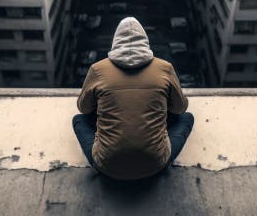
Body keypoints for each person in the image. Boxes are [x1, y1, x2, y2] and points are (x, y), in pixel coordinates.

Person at [72, 17, 194, 180]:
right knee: (186, 118)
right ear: (145, 41)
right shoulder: (165, 68)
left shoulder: (98, 69)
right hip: (156, 165)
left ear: (115, 41)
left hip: (106, 166)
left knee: (79, 120)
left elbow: (84, 108)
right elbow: (179, 109)